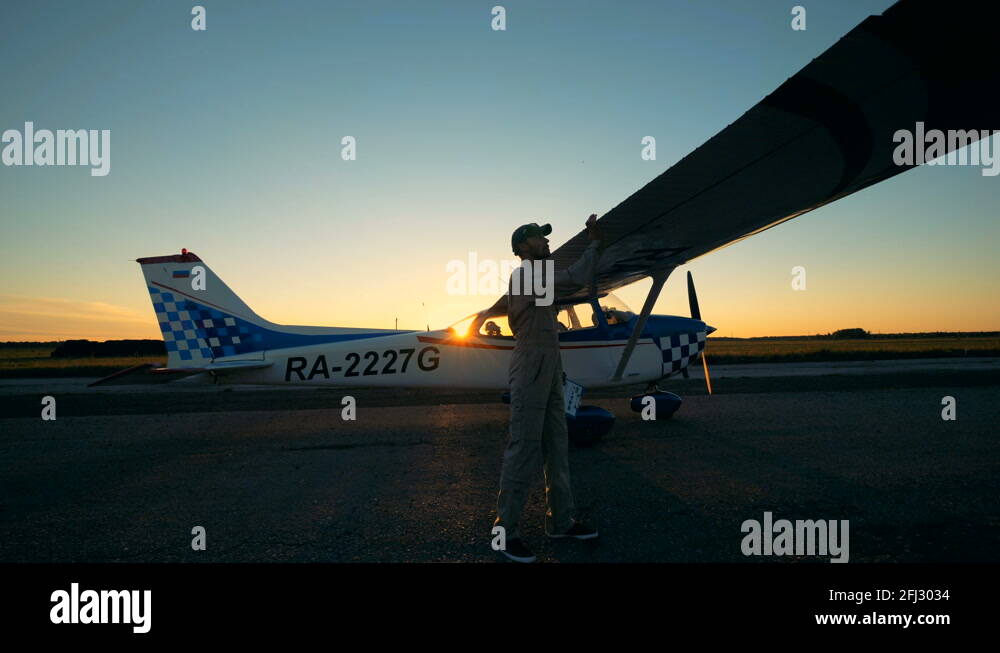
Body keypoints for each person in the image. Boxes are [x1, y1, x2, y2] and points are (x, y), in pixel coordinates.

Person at [491, 214, 604, 562]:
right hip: (532, 363)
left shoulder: (537, 276)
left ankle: (561, 521)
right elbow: (572, 279)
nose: (546, 242)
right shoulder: (525, 275)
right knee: (524, 447)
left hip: (551, 363)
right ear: (523, 247)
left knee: (557, 444)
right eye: (539, 238)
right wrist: (594, 243)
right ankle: (505, 533)